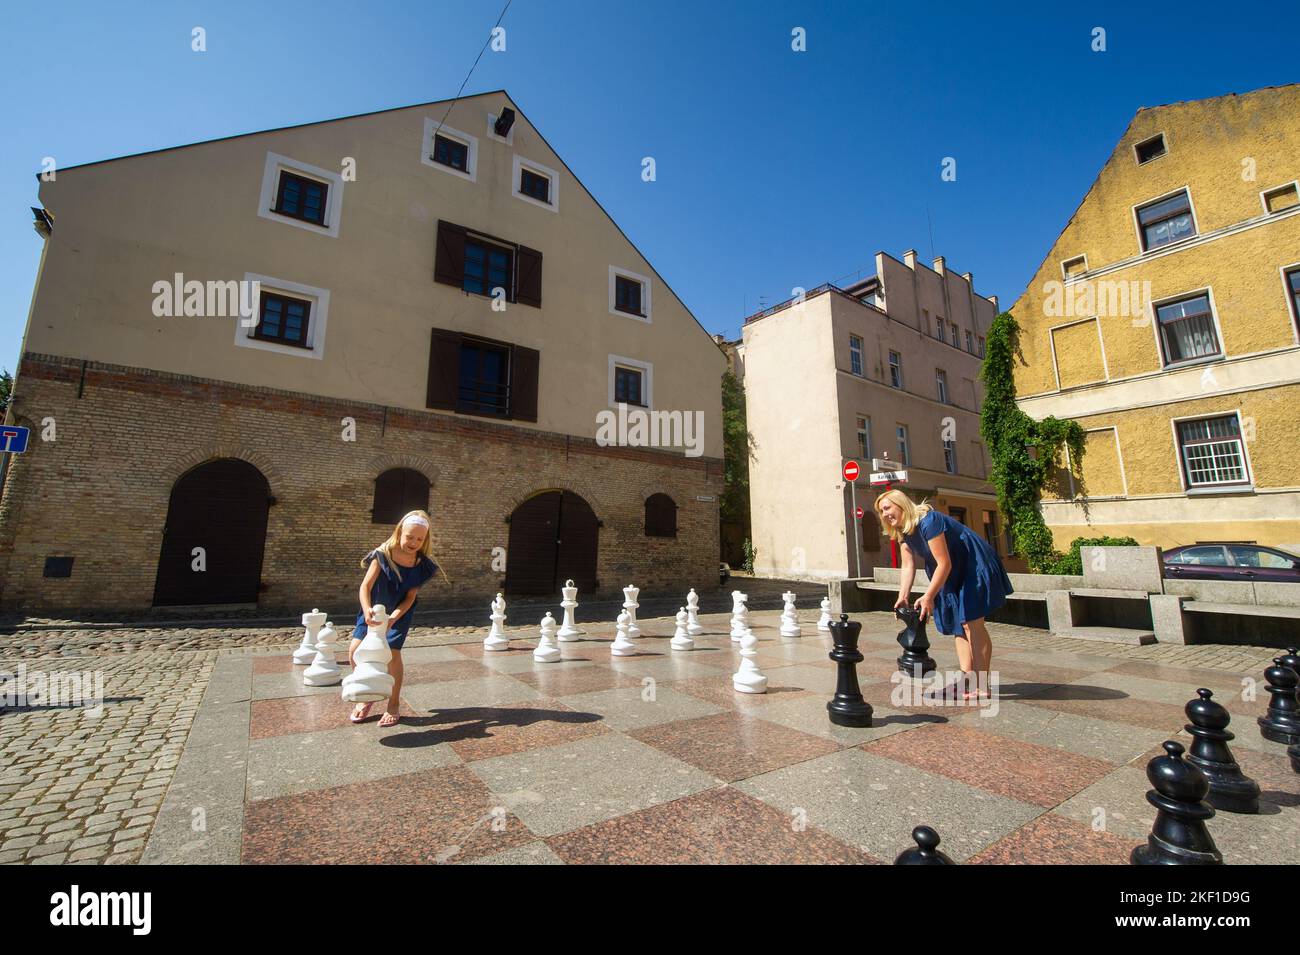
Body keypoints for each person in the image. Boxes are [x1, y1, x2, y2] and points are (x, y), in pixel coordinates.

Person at [873, 489, 1012, 700]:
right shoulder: (902, 532)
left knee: (971, 623)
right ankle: (967, 680)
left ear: (901, 504)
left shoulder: (929, 521)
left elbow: (944, 562)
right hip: (950, 571)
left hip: (972, 565)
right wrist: (903, 596)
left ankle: (982, 685)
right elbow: (907, 566)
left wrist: (928, 596)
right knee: (959, 624)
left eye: (887, 508)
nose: (884, 514)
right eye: (881, 511)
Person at [349, 510, 438, 727]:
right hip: (372, 611)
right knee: (354, 651)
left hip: (399, 614)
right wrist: (367, 608)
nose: (414, 542)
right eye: (410, 536)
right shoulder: (383, 554)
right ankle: (366, 694)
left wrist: (394, 618)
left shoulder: (421, 564)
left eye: (419, 539)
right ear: (399, 532)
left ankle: (393, 703)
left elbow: (410, 597)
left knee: (392, 653)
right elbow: (365, 586)